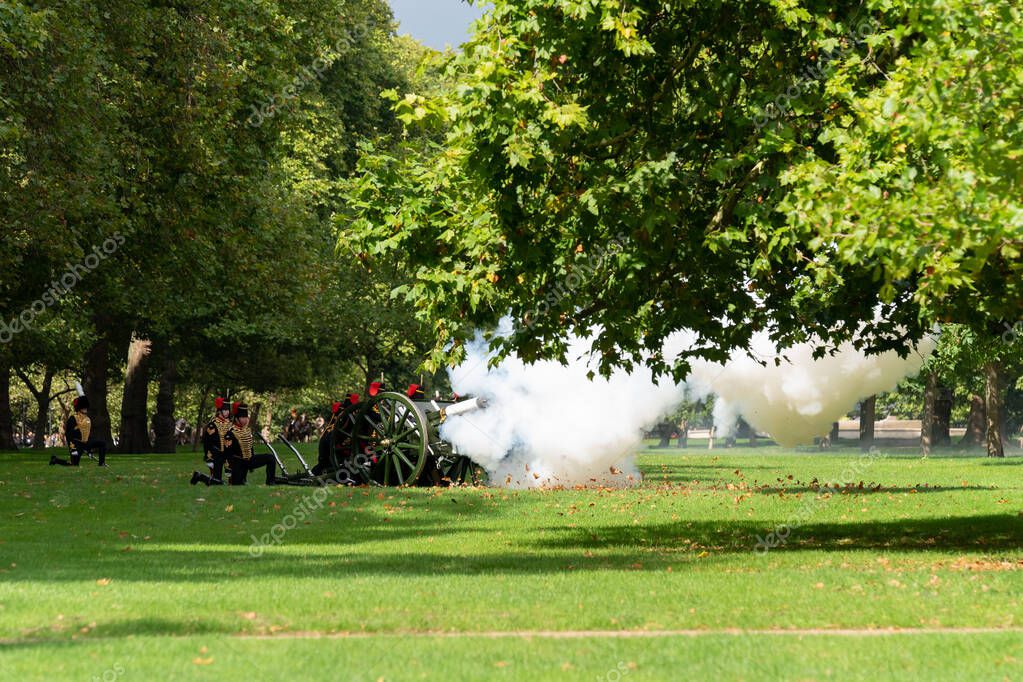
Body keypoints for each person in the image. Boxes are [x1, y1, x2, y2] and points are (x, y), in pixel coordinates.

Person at [223, 402, 276, 485]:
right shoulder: (230, 433)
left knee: (271, 458)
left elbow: (250, 448)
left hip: (249, 460)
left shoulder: (247, 431)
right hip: (238, 463)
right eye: (242, 417)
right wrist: (228, 469)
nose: (245, 419)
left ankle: (270, 482)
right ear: (236, 419)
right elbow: (227, 454)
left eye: (246, 417)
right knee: (238, 485)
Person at [51, 396, 107, 467]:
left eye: (86, 407)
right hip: (76, 444)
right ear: (79, 408)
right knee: (74, 464)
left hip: (86, 442)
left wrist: (89, 448)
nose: (85, 409)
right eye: (83, 408)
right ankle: (55, 460)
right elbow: (68, 435)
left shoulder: (88, 419)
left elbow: (87, 433)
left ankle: (101, 463)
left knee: (102, 444)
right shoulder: (73, 418)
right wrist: (74, 448)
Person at [191, 397, 232, 486]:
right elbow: (207, 442)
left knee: (231, 474)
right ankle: (200, 476)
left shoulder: (230, 423)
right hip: (216, 454)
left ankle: (200, 476)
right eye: (225, 410)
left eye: (228, 410)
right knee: (216, 481)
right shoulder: (213, 424)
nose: (227, 412)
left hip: (228, 454)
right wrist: (209, 457)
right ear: (219, 411)